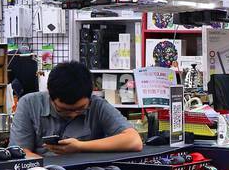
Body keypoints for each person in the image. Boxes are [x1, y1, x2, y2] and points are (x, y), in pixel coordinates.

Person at [9, 60, 143, 158]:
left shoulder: (97, 105)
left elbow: (133, 141)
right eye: (64, 110)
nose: (73, 115)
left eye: (80, 109)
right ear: (50, 95)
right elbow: (20, 152)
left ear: (91, 95)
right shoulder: (29, 103)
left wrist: (80, 146)